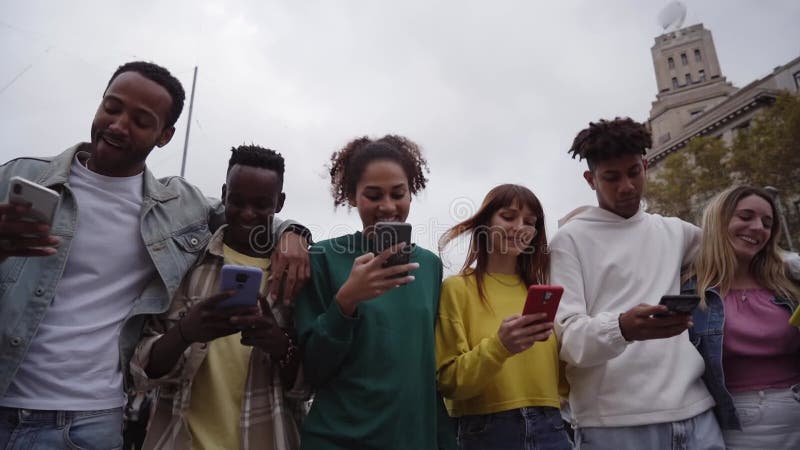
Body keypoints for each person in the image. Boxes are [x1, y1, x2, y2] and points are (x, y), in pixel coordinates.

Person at [0, 62, 309, 450]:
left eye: (140, 120)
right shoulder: (19, 178)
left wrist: (294, 232)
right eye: (112, 107)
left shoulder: (178, 208)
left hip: (90, 419)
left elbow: (247, 212)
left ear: (165, 135)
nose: (118, 125)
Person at [550, 117, 723, 449]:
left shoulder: (676, 231)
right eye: (611, 177)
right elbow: (568, 341)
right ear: (590, 179)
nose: (627, 186)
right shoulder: (568, 241)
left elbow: (742, 256)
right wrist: (622, 328)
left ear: (645, 166)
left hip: (698, 415)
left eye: (634, 172)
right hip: (613, 426)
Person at [131, 145, 307, 449]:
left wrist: (279, 343)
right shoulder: (188, 263)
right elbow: (142, 371)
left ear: (280, 203)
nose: (247, 213)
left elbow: (308, 386)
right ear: (224, 194)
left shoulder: (297, 274)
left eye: (261, 204)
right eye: (237, 201)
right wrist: (186, 332)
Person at [294, 135, 456, 449]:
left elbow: (427, 368)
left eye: (398, 193)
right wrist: (346, 301)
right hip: (338, 439)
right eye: (373, 195)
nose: (388, 206)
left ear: (411, 192)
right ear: (352, 196)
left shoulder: (430, 266)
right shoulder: (323, 257)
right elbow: (313, 369)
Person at [435, 184, 571, 450]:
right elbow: (449, 382)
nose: (520, 227)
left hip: (552, 426)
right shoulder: (456, 288)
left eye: (529, 222)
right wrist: (500, 346)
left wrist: (557, 400)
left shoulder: (544, 293)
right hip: (486, 430)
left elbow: (564, 370)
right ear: (485, 222)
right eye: (508, 217)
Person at [683, 185, 800, 449]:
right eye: (745, 217)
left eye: (767, 223)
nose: (758, 228)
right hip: (738, 424)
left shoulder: (788, 283)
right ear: (719, 221)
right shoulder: (690, 291)